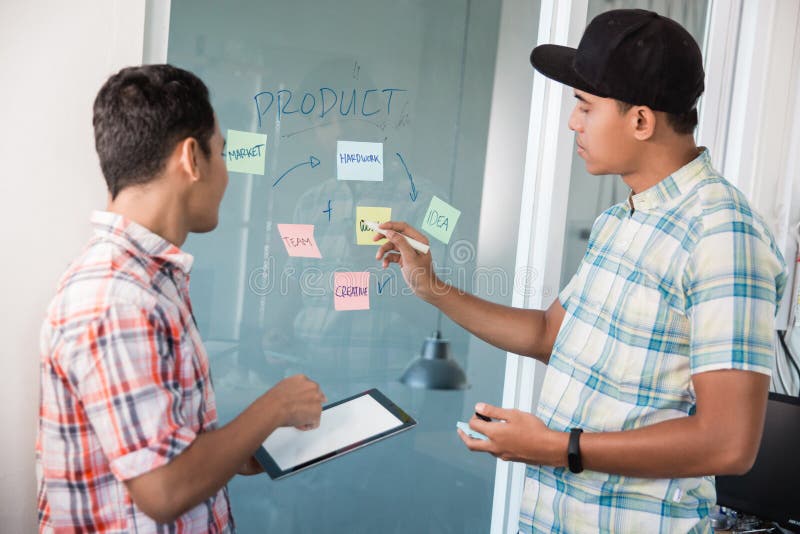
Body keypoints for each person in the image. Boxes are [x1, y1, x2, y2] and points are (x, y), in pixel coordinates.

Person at [374, 9, 786, 533]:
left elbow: (728, 442)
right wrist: (432, 289)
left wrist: (555, 447)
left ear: (640, 121)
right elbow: (551, 334)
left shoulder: (724, 235)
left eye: (585, 107)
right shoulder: (621, 219)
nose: (573, 123)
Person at [36, 64, 326, 532]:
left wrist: (242, 448)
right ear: (192, 158)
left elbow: (165, 450)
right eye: (223, 153)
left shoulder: (148, 281)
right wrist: (275, 406)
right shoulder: (117, 296)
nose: (228, 177)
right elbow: (163, 489)